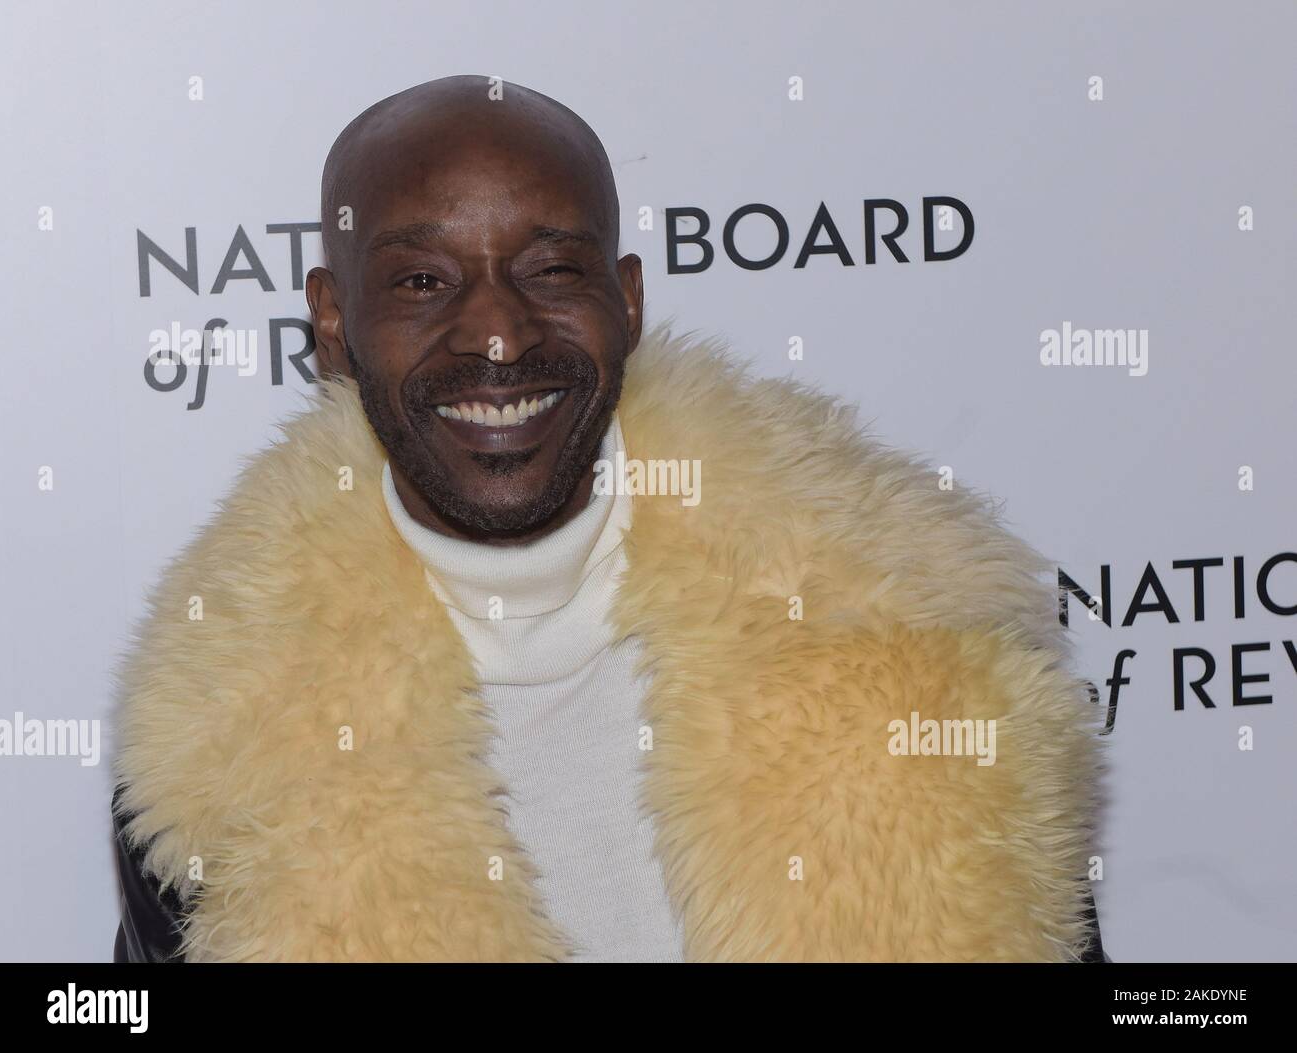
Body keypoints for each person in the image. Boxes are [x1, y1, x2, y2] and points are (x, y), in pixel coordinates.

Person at [112, 74, 1107, 962]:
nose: (498, 335)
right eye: (422, 281)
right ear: (333, 322)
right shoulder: (213, 755)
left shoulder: (923, 638)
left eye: (551, 272)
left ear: (625, 302)